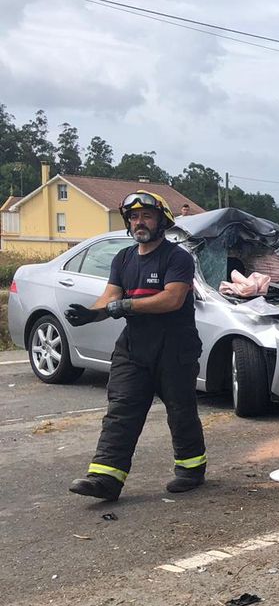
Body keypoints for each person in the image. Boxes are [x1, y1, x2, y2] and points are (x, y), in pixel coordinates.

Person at [63, 191, 207, 501]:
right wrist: (92, 313)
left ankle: (191, 470)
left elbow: (172, 299)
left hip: (175, 348)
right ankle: (105, 478)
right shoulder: (124, 258)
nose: (139, 222)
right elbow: (110, 297)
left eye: (147, 216)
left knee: (181, 411)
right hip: (133, 348)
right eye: (134, 217)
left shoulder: (177, 258)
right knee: (121, 410)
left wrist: (127, 306)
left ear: (162, 221)